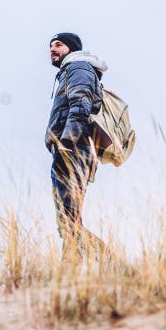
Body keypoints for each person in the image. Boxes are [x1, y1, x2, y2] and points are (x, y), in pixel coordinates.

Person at [45, 32, 108, 259]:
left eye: (58, 45)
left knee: (67, 219)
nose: (52, 49)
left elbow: (80, 103)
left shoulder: (78, 67)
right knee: (69, 217)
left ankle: (111, 263)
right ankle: (70, 270)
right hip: (72, 147)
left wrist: (66, 143)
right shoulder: (71, 71)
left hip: (71, 148)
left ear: (71, 49)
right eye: (50, 45)